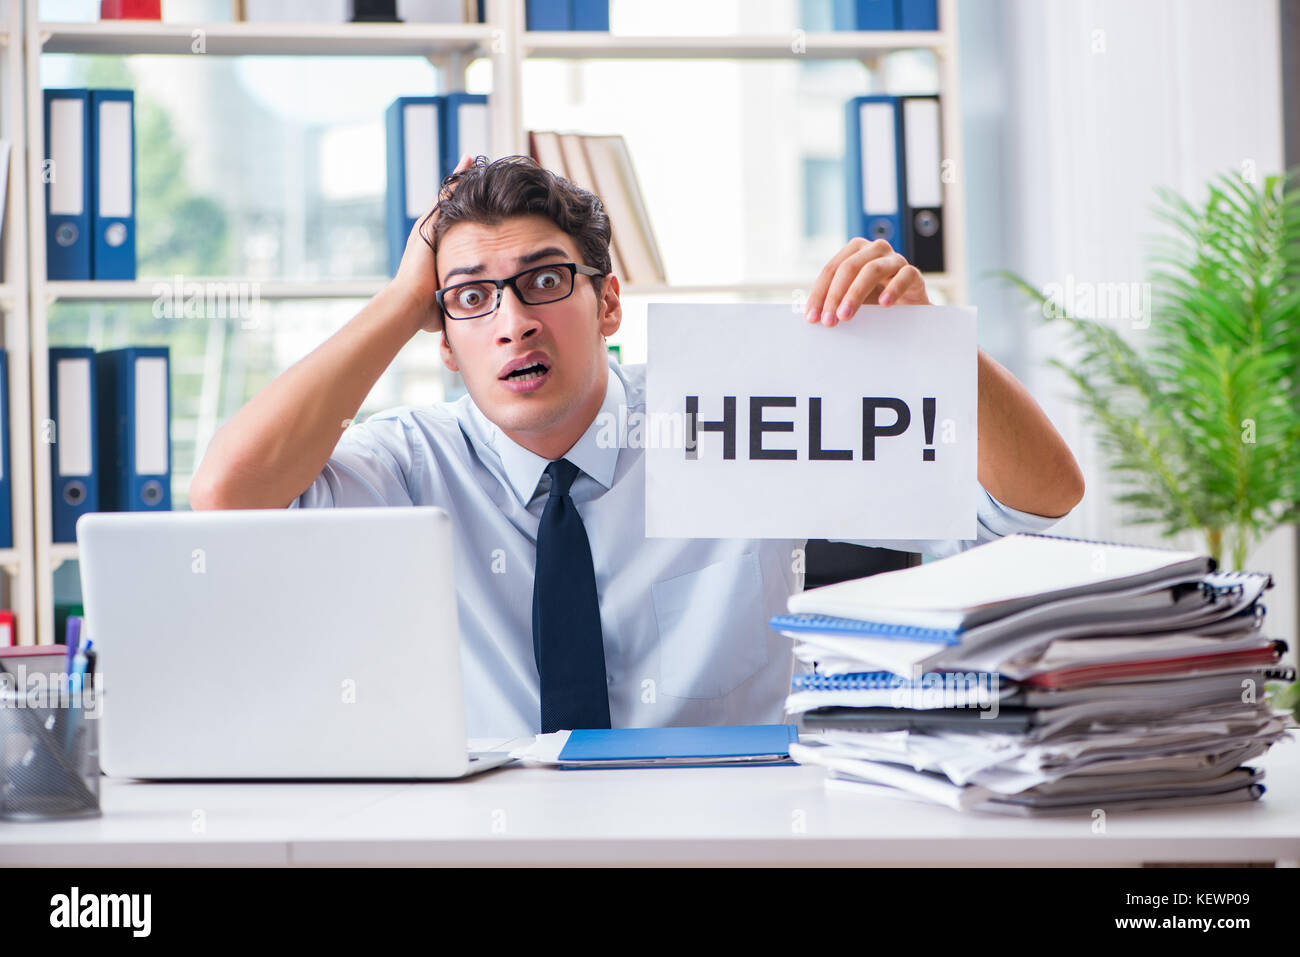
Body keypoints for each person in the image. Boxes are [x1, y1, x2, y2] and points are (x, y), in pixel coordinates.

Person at [191, 154, 1085, 737]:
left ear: (607, 304)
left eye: (544, 281)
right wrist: (399, 298)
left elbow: (1038, 501)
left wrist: (935, 351)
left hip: (730, 840)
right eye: (469, 298)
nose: (513, 325)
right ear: (442, 332)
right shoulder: (409, 464)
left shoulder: (735, 410)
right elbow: (226, 499)